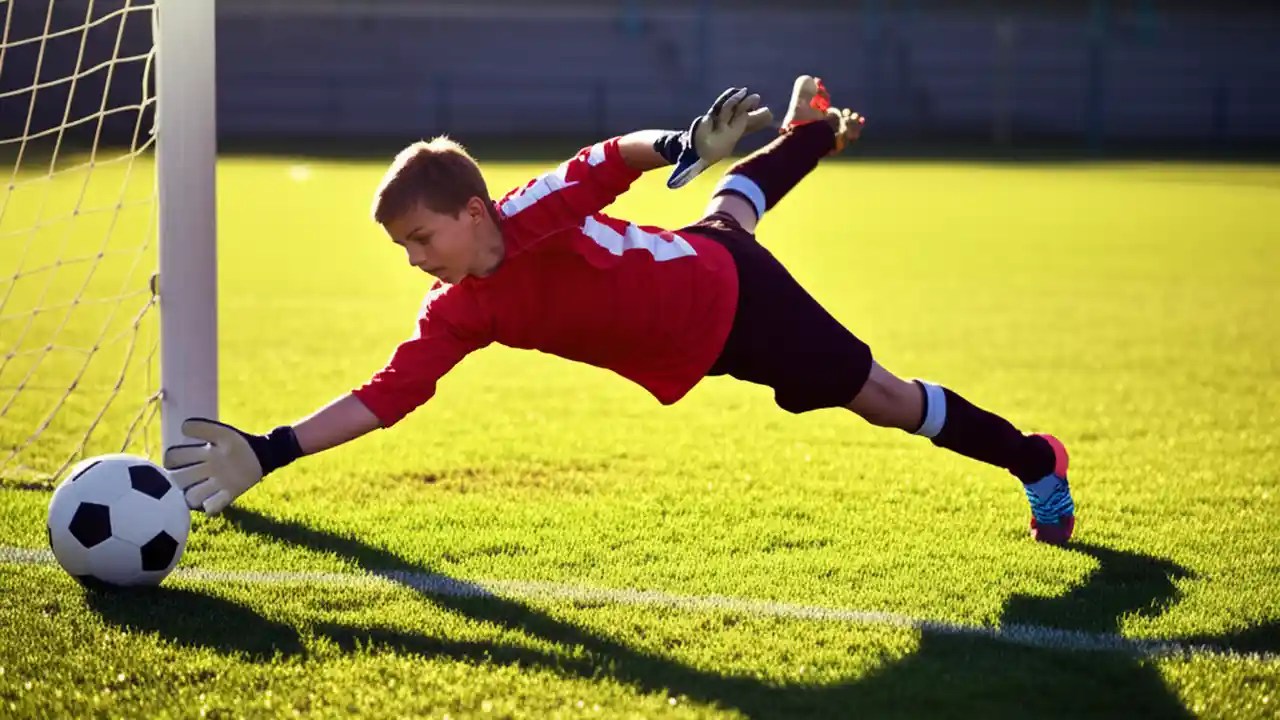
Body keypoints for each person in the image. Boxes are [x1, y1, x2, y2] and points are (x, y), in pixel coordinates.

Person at [165, 76, 1075, 545]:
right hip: (700, 285)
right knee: (731, 215)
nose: (415, 261)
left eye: (421, 238)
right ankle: (815, 130)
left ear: (472, 212)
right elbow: (390, 392)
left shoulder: (524, 215)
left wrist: (684, 141)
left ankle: (1035, 459)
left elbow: (606, 160)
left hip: (733, 304)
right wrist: (272, 450)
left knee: (884, 398)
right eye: (402, 248)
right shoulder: (457, 312)